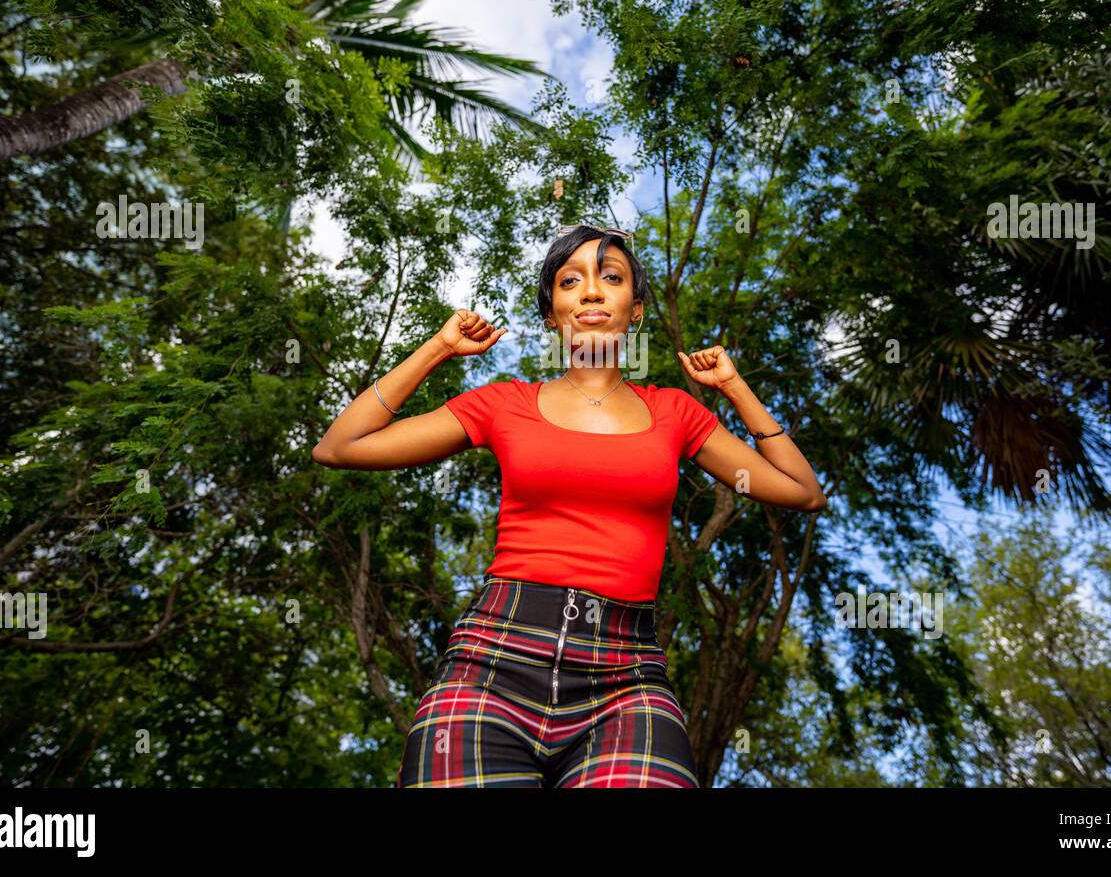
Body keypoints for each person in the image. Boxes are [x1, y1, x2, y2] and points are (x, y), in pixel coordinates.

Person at [311, 224, 827, 787]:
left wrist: (734, 388)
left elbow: (802, 491)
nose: (590, 292)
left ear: (636, 310)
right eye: (569, 281)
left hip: (627, 682)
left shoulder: (677, 414)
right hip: (491, 666)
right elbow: (341, 447)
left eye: (611, 278)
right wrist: (439, 349)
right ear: (553, 312)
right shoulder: (503, 404)